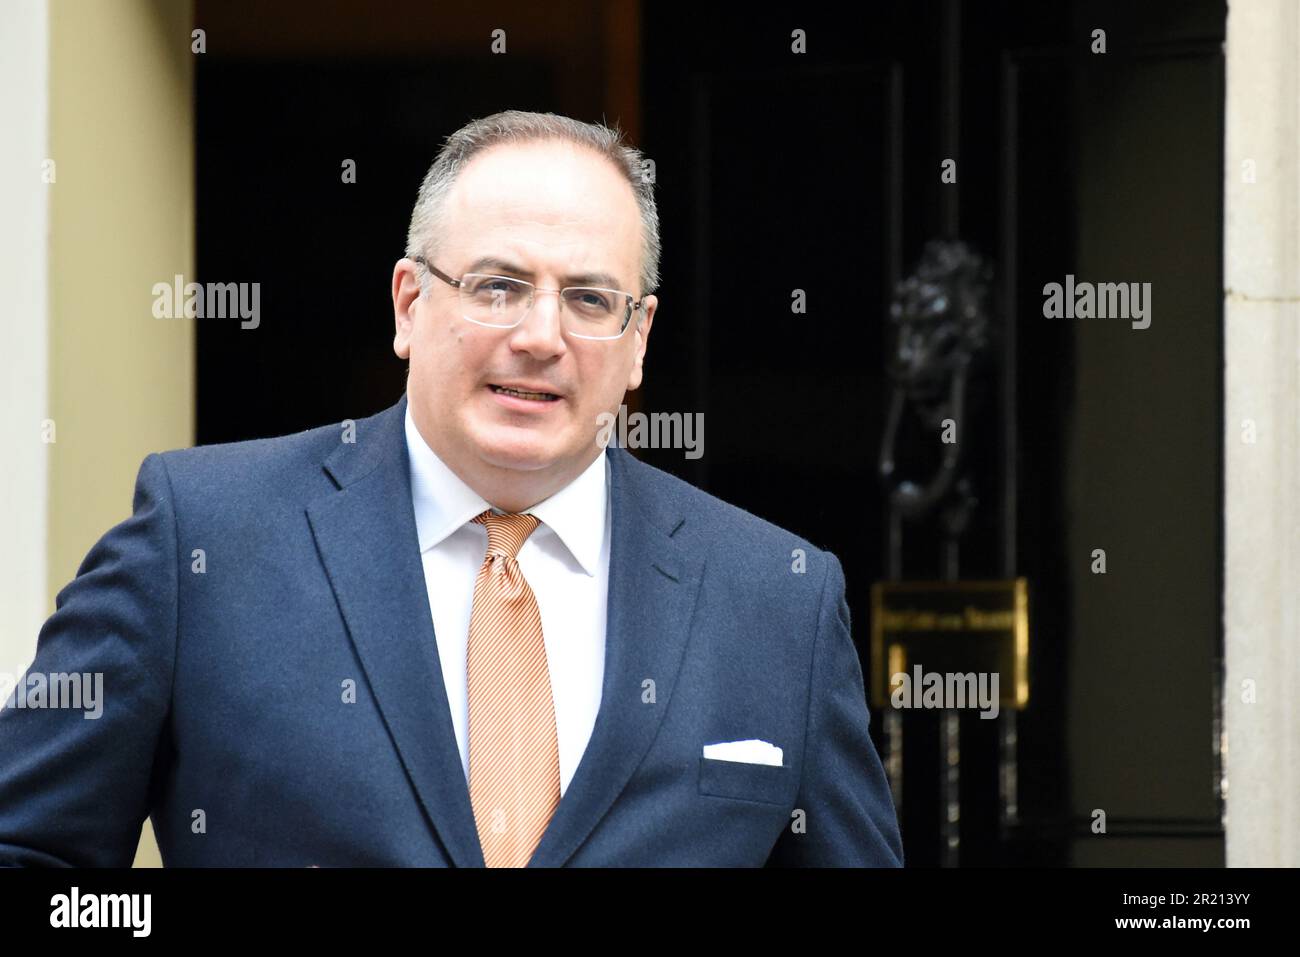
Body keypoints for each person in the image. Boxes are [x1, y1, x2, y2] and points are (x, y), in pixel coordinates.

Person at [0, 110, 903, 867]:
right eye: (498, 285)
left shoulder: (777, 598)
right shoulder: (201, 540)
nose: (541, 334)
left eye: (590, 299)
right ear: (407, 303)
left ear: (638, 340)